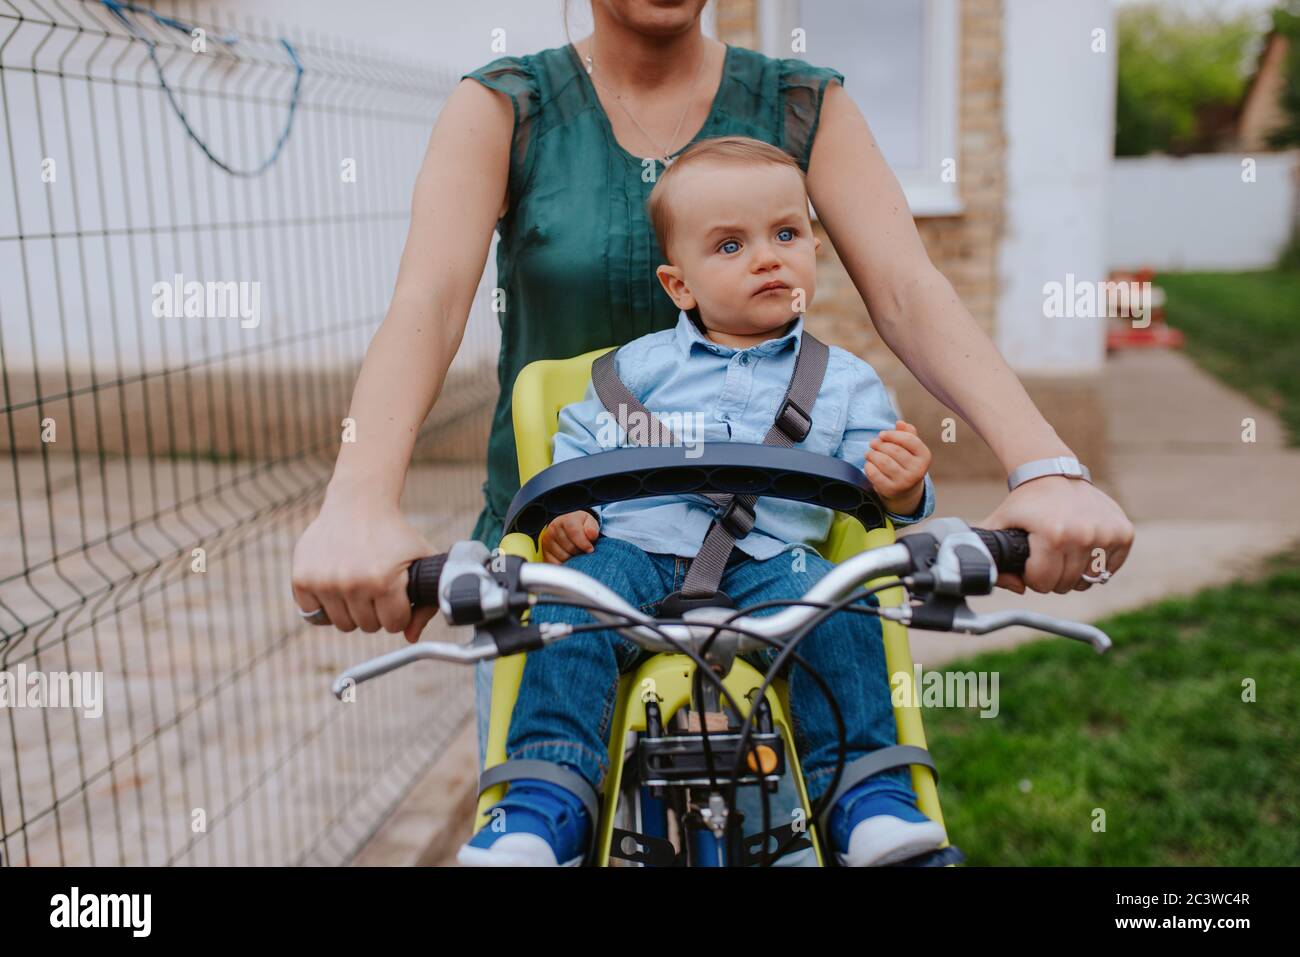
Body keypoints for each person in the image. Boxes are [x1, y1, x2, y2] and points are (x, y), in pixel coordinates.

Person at [289, 1, 1135, 779]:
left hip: (776, 568)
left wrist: (1045, 466)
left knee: (816, 814)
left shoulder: (801, 102)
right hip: (575, 565)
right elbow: (429, 302)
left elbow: (908, 287)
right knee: (551, 806)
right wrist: (361, 498)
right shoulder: (506, 104)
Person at [459, 136, 941, 867]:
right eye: (730, 245)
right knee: (567, 613)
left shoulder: (845, 382)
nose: (768, 257)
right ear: (678, 285)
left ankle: (865, 799)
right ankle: (542, 801)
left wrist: (903, 485)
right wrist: (564, 516)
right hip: (629, 556)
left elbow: (881, 504)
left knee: (842, 604)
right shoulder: (630, 370)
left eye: (786, 234)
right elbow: (578, 447)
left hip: (775, 565)